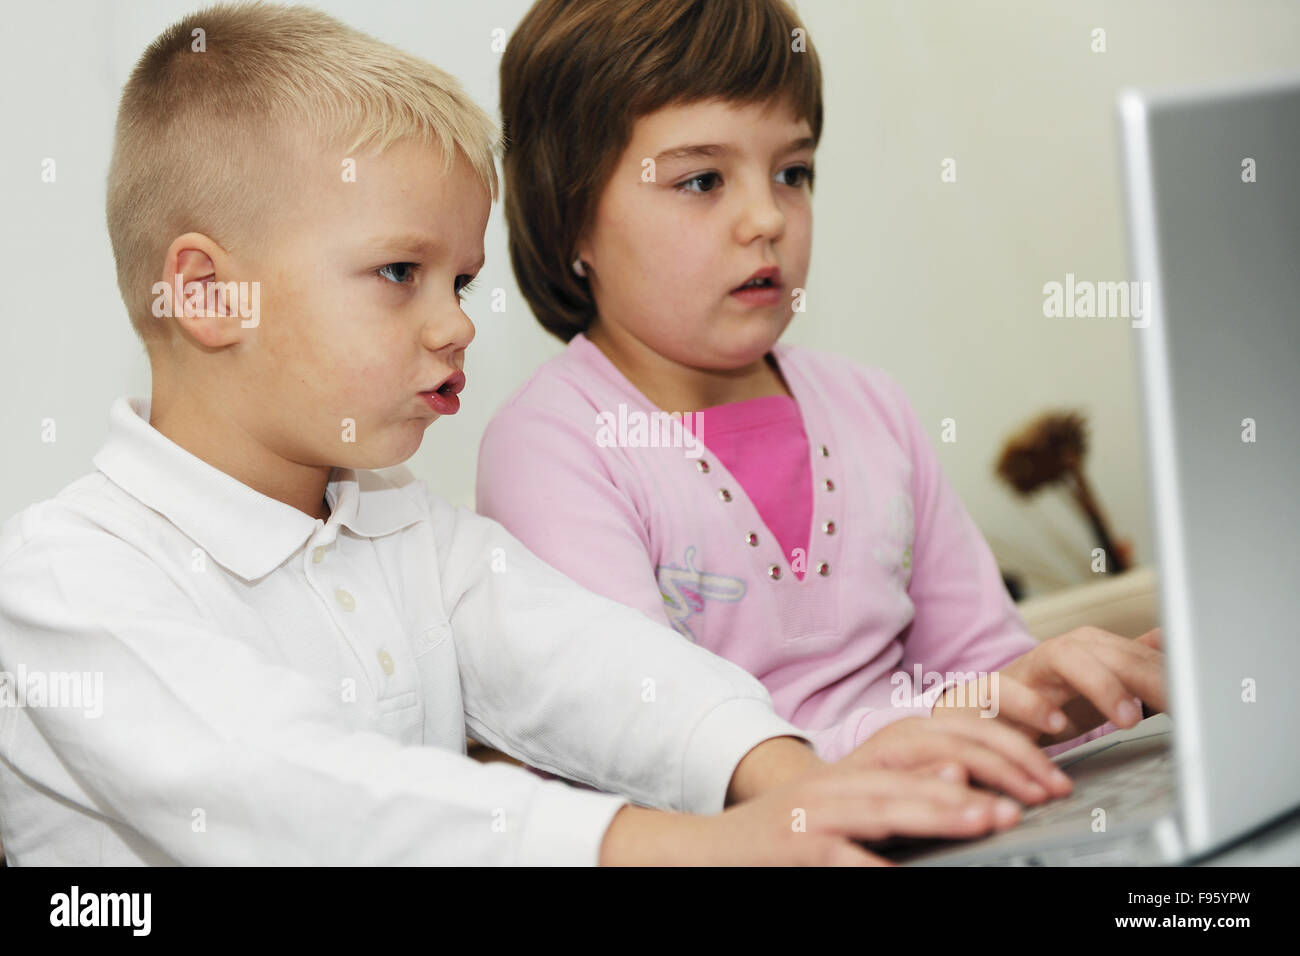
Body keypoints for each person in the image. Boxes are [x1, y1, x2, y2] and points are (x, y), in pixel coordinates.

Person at [0, 1, 1026, 867]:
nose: (455, 323)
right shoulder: (65, 579)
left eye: (462, 281)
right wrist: (690, 845)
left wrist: (791, 779)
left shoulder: (406, 532)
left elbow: (595, 664)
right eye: (402, 272)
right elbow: (300, 793)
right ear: (210, 293)